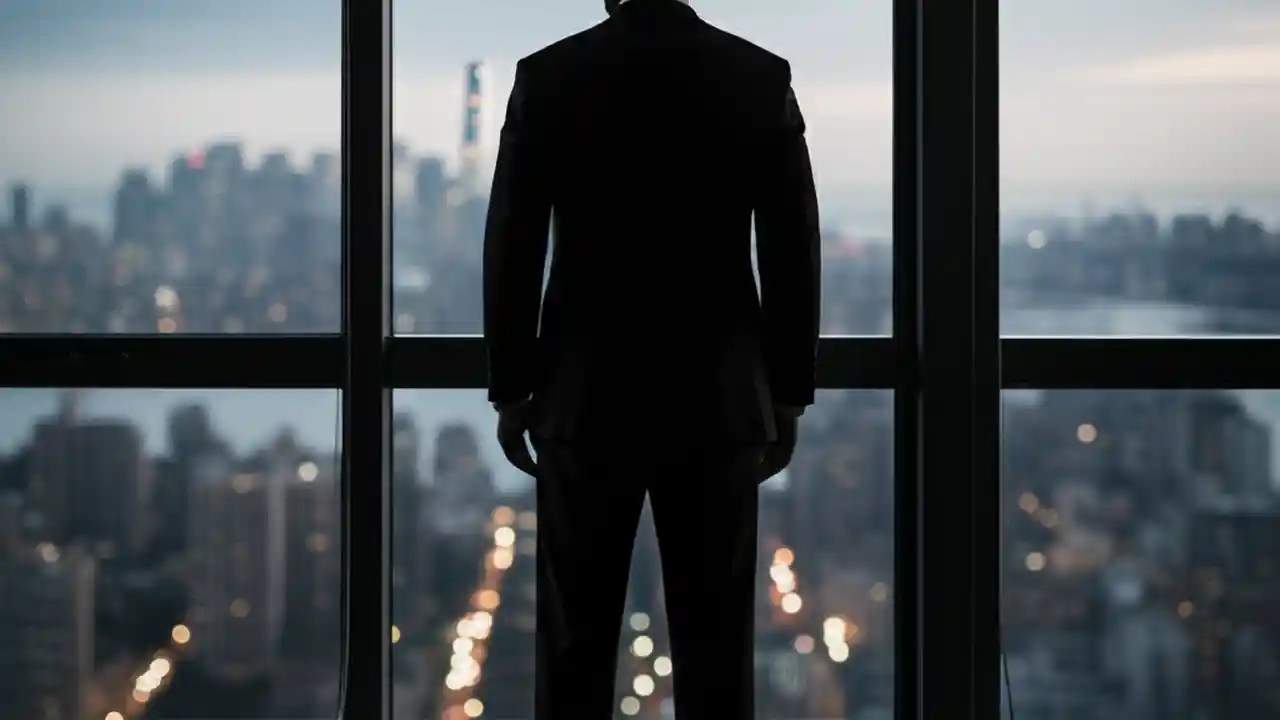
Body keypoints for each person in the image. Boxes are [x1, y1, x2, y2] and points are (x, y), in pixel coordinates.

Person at [482, 0, 819, 715]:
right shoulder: (757, 76)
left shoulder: (548, 77)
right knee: (717, 643)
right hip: (716, 399)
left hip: (585, 395)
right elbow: (792, 249)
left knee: (574, 641)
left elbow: (514, 242)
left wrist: (512, 385)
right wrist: (785, 391)